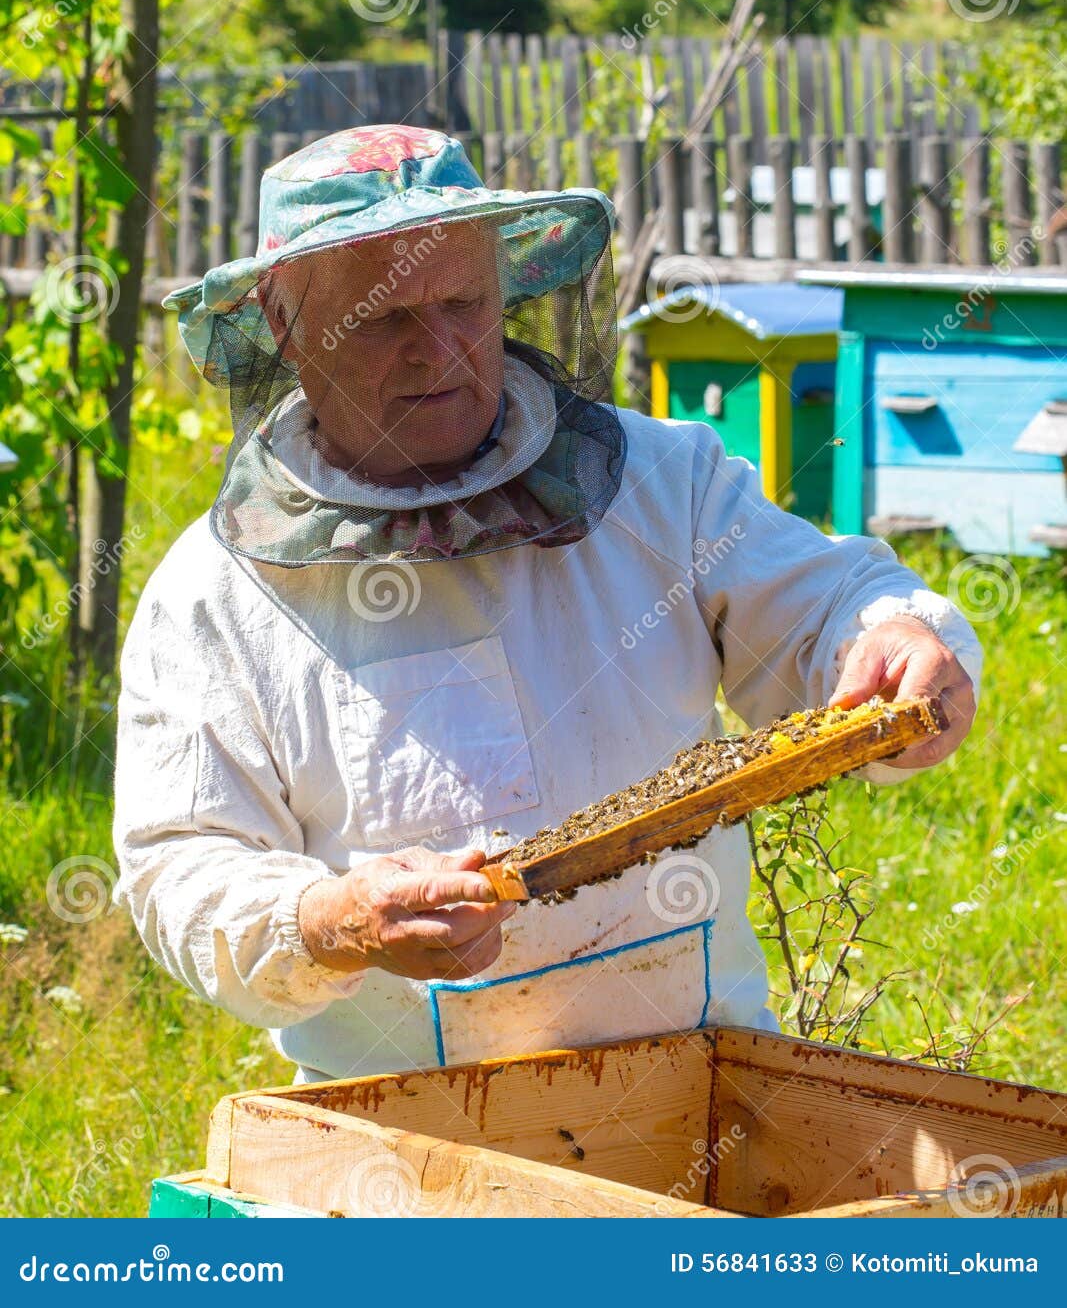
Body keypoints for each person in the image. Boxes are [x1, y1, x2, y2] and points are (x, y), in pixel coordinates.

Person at [112, 123, 980, 1084]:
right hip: (400, 1142)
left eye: (462, 302)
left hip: (705, 1083)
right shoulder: (213, 599)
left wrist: (898, 638)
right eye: (384, 318)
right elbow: (179, 863)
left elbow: (832, 605)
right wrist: (334, 921)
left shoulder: (666, 485)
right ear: (283, 322)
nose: (436, 351)